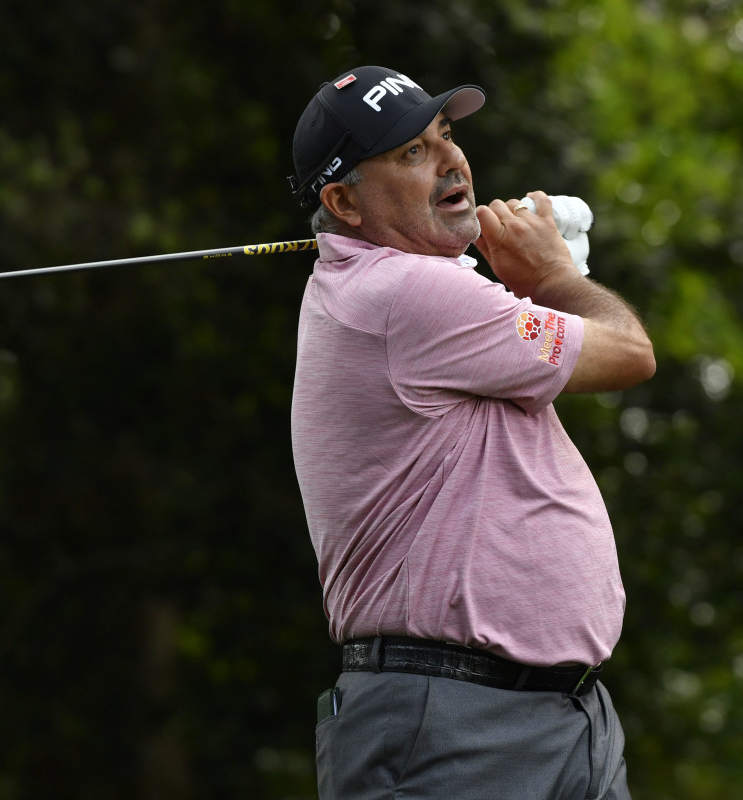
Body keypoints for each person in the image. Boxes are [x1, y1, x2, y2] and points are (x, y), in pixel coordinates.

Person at [286, 66, 656, 800]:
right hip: (453, 726)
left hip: (556, 716)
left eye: (444, 135)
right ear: (341, 202)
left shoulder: (405, 290)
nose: (451, 160)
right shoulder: (404, 292)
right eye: (409, 154)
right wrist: (551, 275)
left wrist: (524, 287)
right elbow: (629, 353)